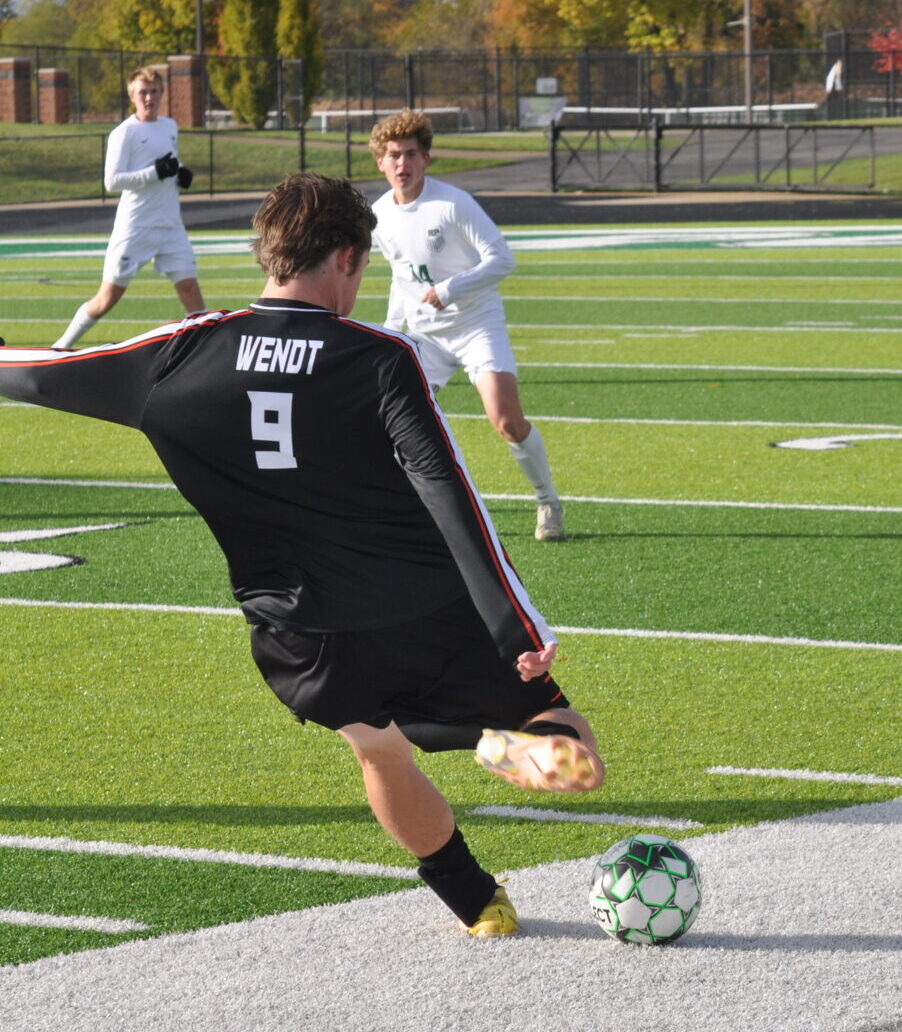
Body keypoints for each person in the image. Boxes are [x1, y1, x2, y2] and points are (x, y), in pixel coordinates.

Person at [0, 173, 603, 939]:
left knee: (378, 752)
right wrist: (514, 625)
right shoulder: (380, 357)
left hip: (299, 636)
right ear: (347, 258)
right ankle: (490, 740)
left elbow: (36, 377)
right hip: (426, 613)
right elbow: (448, 490)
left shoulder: (181, 354)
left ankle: (474, 899)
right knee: (570, 748)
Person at [368, 109, 565, 542]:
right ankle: (409, 510)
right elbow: (401, 279)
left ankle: (547, 499)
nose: (403, 164)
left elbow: (502, 259)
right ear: (380, 162)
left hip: (476, 324)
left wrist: (451, 289)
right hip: (423, 333)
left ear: (427, 160)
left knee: (507, 421)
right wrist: (391, 331)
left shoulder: (453, 203)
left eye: (412, 155)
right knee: (392, 422)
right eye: (394, 156)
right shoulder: (378, 215)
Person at [52, 67, 204, 351]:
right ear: (132, 95)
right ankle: (60, 347)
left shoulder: (169, 126)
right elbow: (112, 180)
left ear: (162, 93)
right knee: (107, 298)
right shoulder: (124, 133)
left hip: (171, 225)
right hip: (136, 226)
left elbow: (170, 161)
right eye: (142, 92)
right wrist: (153, 173)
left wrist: (180, 172)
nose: (149, 97)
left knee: (190, 289)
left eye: (154, 91)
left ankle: (205, 351)